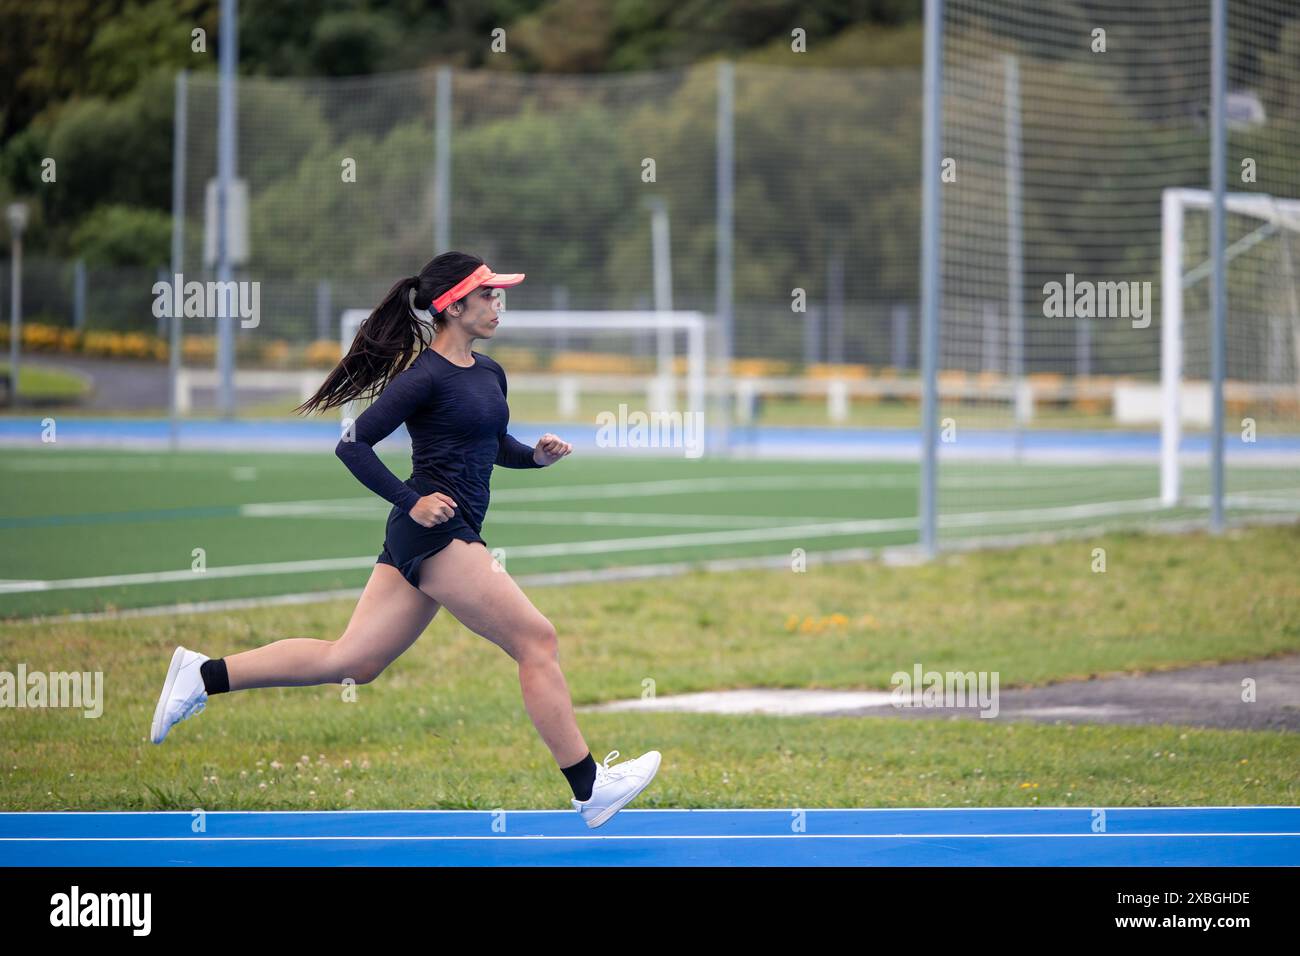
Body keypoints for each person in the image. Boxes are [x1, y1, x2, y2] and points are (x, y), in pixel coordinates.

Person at [150, 251, 660, 829]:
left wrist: (535, 458)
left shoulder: (490, 372)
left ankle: (202, 674)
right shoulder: (422, 377)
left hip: (433, 538)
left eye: (498, 294)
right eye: (488, 294)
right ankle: (589, 788)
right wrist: (410, 501)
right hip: (437, 533)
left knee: (353, 661)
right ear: (451, 304)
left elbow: (488, 446)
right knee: (536, 640)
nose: (498, 303)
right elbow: (352, 445)